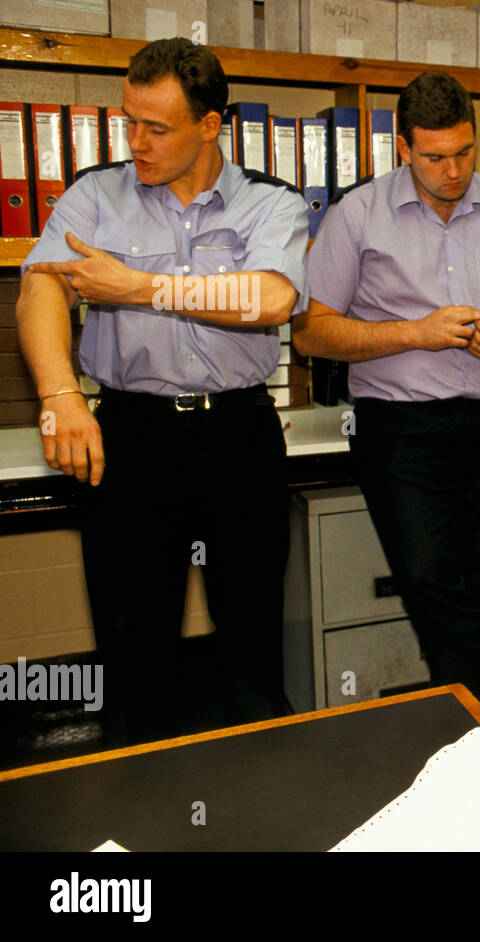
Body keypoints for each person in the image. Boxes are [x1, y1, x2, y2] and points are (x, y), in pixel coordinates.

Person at [16, 38, 308, 746]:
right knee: (132, 647)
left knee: (251, 644)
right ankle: (134, 815)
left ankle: (267, 806)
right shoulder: (94, 194)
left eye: (157, 127)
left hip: (237, 435)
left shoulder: (272, 202)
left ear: (211, 125)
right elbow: (39, 286)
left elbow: (271, 298)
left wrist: (139, 287)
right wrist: (60, 396)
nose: (136, 142)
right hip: (133, 439)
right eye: (129, 122)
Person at [294, 72, 480, 736]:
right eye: (436, 156)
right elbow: (311, 330)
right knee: (430, 582)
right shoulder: (357, 215)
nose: (453, 171)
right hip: (400, 427)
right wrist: (417, 331)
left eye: (465, 153)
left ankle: (474, 734)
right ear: (403, 148)